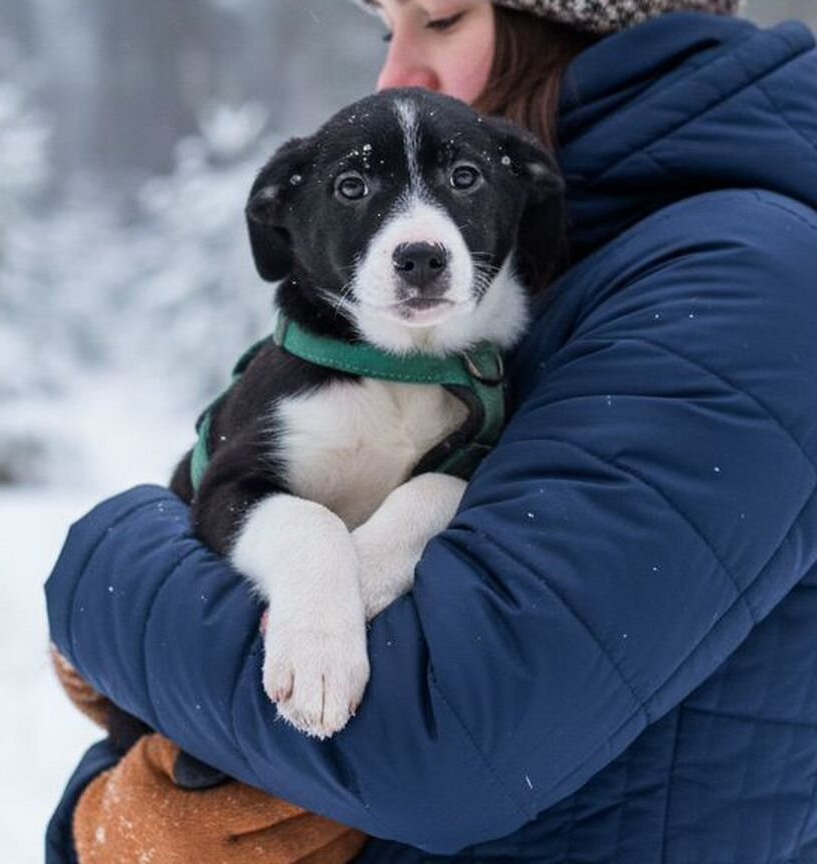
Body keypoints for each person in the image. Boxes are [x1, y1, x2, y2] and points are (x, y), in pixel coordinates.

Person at [45, 0, 817, 861]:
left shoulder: (737, 278)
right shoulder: (578, 261)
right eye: (387, 31)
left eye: (442, 19)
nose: (396, 71)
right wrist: (99, 809)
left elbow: (440, 738)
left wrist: (103, 577)